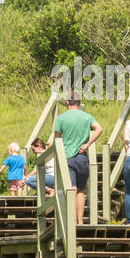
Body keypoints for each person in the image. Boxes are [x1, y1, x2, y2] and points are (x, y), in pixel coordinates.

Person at [52, 96, 102, 224]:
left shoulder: (61, 118)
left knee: (71, 188)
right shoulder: (87, 117)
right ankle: (80, 221)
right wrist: (88, 144)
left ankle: (72, 221)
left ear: (67, 102)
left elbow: (57, 140)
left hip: (67, 157)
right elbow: (99, 129)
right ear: (79, 103)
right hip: (82, 157)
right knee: (80, 190)